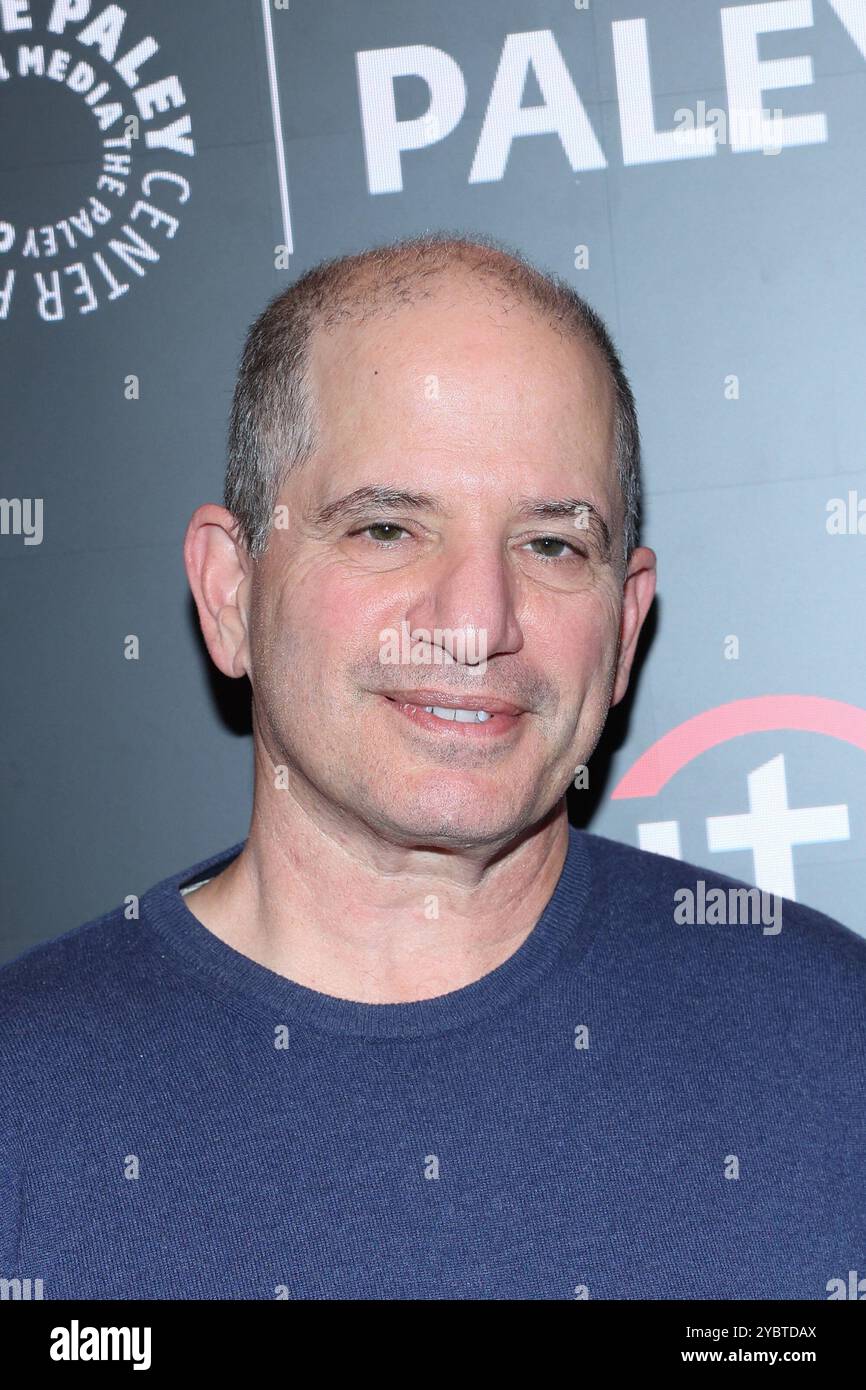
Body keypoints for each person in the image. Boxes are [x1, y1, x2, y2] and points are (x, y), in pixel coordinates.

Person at [1, 234, 863, 1301]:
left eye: (551, 545)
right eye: (385, 528)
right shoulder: (22, 1100)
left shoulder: (829, 1050)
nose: (473, 624)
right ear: (230, 592)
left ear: (625, 625)